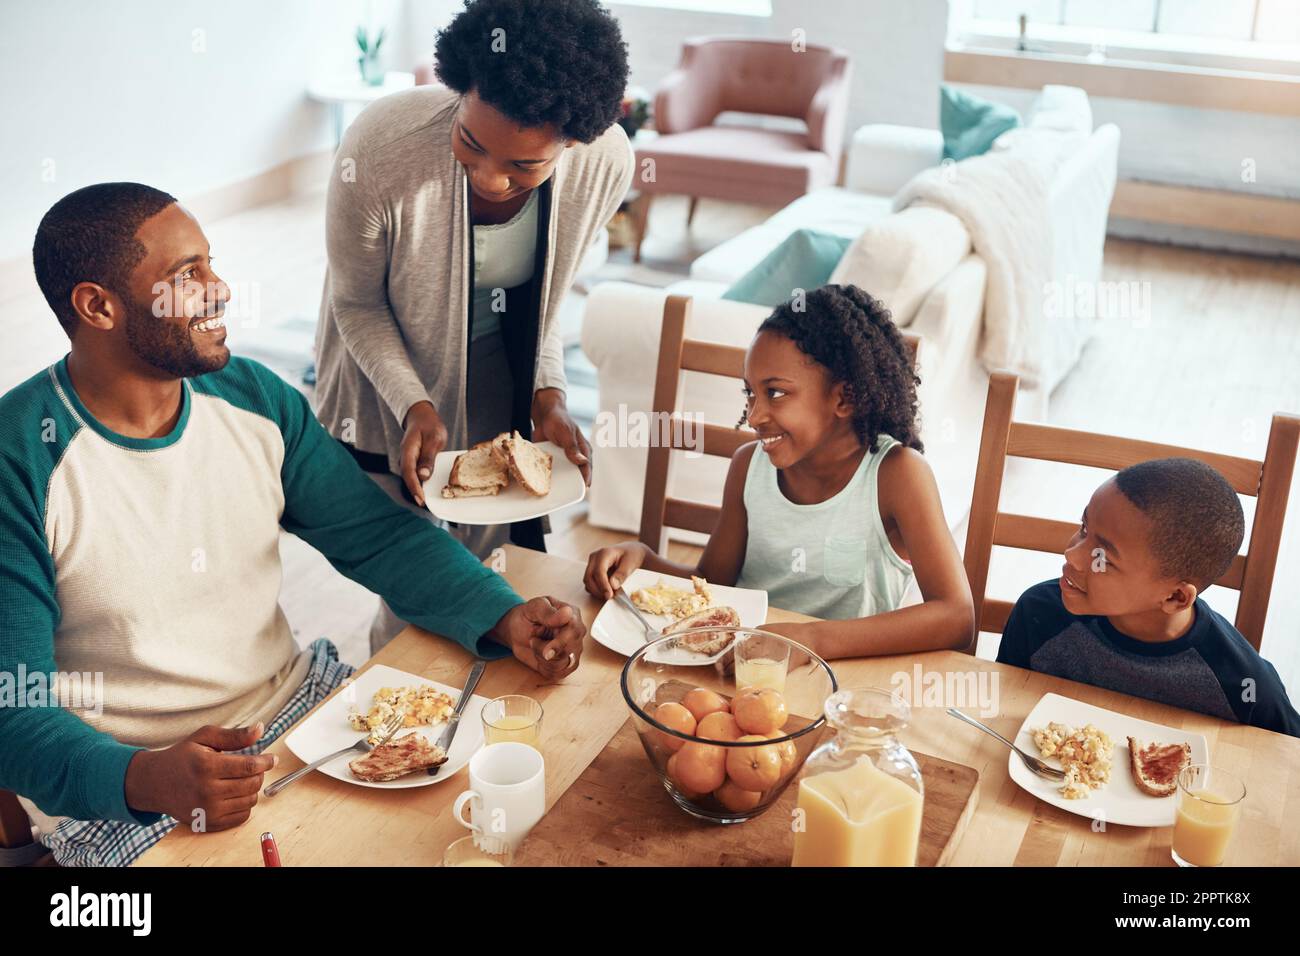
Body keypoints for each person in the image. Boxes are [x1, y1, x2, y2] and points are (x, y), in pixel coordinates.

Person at [0, 182, 587, 866]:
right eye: (187, 275)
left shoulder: (254, 397)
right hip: (129, 783)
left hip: (298, 709)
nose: (220, 291)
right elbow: (17, 713)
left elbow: (377, 536)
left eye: (210, 264)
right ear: (97, 306)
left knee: (493, 829)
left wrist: (504, 614)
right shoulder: (20, 459)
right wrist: (146, 777)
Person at [313, 0, 636, 653]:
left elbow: (546, 297)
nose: (490, 177)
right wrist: (415, 405)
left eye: (524, 166)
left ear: (572, 145)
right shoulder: (382, 147)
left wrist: (548, 394)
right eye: (471, 143)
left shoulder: (605, 163)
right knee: (415, 569)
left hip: (502, 372)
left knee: (492, 560)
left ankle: (486, 700)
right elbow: (357, 304)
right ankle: (402, 705)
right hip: (385, 373)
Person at [584, 284, 975, 659]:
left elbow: (957, 618)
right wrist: (642, 557)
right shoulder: (747, 467)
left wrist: (811, 639)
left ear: (844, 398)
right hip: (743, 671)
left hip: (845, 687)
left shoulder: (897, 475)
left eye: (775, 393)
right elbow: (713, 582)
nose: (754, 416)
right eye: (750, 393)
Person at [998, 458, 1300, 736]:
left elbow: (1286, 763)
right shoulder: (1039, 615)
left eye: (1103, 558)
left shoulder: (1245, 684)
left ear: (1176, 597)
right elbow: (1004, 706)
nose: (1072, 555)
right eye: (1083, 528)